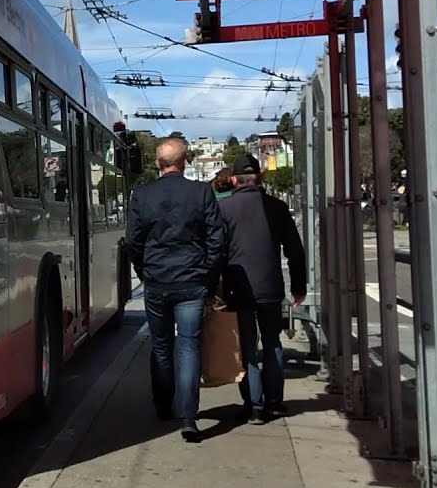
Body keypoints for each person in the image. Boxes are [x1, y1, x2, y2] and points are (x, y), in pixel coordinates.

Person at [126, 137, 227, 442]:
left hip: (157, 281)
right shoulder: (201, 193)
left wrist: (145, 272)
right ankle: (188, 415)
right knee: (188, 345)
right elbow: (216, 241)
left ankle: (162, 406)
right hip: (192, 281)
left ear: (158, 163)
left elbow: (133, 240)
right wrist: (207, 278)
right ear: (185, 162)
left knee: (160, 345)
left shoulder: (141, 195)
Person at [216, 154, 307, 424]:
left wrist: (213, 289)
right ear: (260, 177)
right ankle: (275, 401)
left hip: (238, 288)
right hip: (270, 287)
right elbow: (294, 250)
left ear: (234, 180)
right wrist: (299, 286)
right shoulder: (277, 208)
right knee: (272, 342)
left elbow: (216, 252)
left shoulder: (224, 210)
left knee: (246, 347)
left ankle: (253, 405)